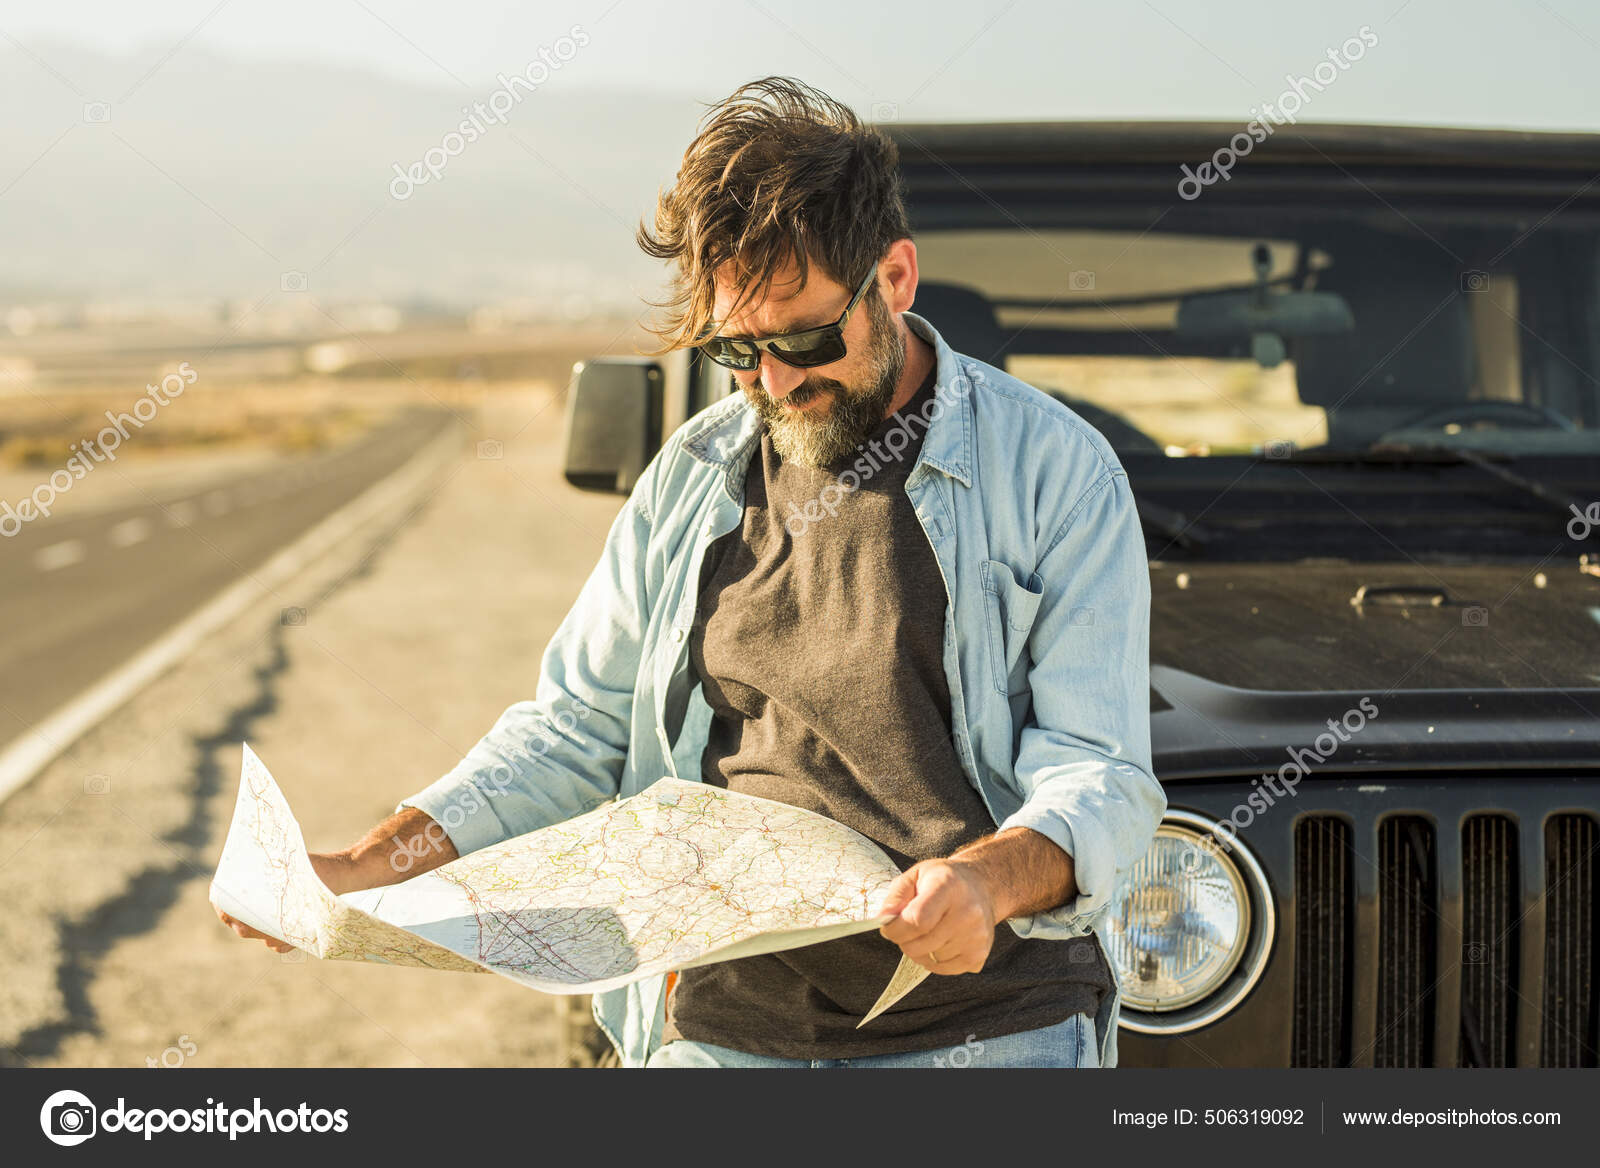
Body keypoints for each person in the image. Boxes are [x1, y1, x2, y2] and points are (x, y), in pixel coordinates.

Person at [219, 75, 1164, 1069]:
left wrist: (983, 884)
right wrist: (365, 866)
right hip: (718, 1038)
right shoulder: (690, 479)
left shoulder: (1055, 472)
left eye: (803, 338)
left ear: (894, 278)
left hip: (987, 1034)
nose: (775, 381)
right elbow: (573, 730)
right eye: (736, 351)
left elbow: (1099, 773)